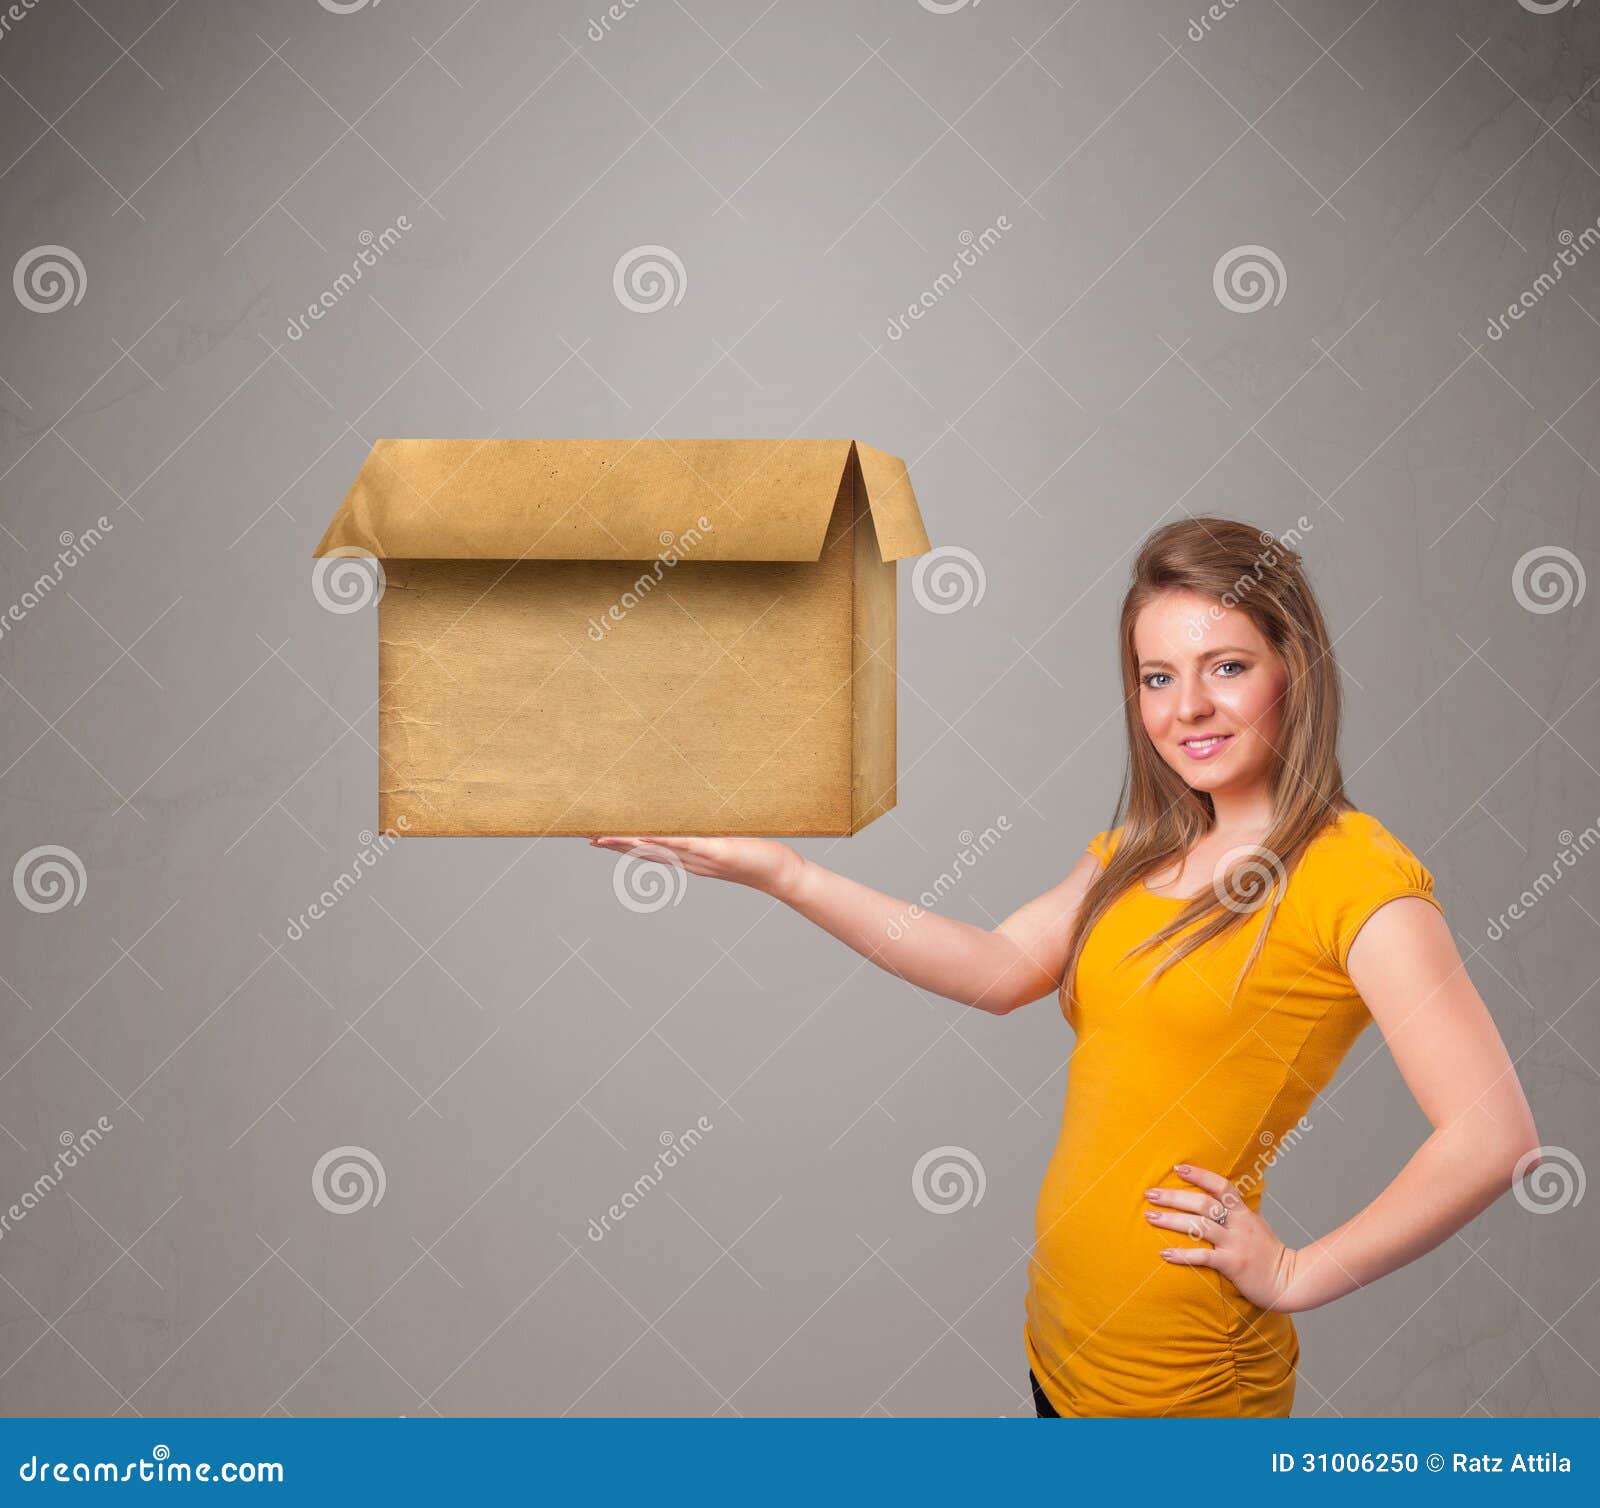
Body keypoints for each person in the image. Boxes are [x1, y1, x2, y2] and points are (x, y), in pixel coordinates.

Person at [588, 516, 1542, 1418]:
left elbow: (1493, 1136)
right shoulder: (1143, 847)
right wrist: (783, 873)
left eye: (1227, 667)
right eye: (1158, 677)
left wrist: (1296, 1274)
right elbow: (998, 967)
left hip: (1184, 1387)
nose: (1189, 707)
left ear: (1295, 668)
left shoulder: (1354, 873)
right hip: (1063, 1348)